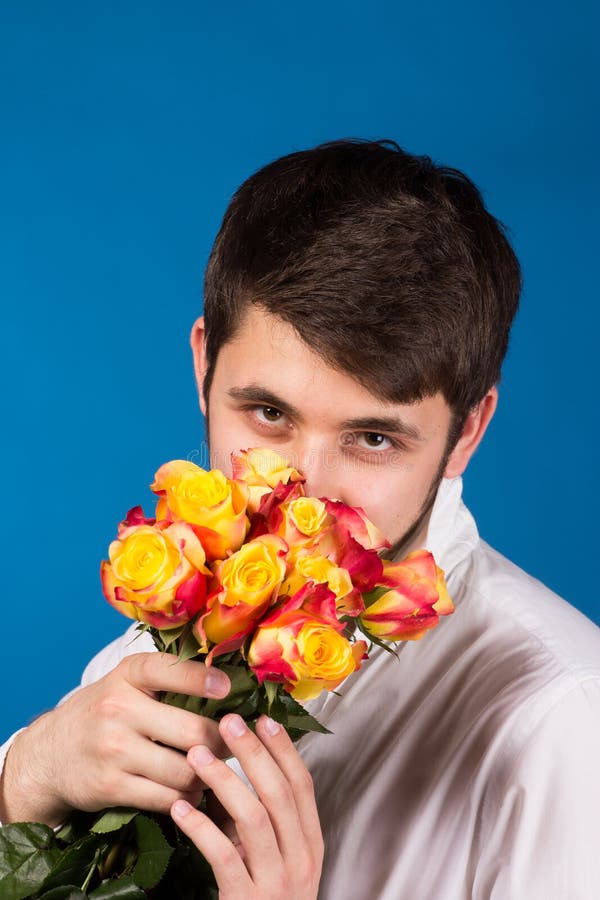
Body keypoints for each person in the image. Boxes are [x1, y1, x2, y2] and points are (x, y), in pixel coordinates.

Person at [2, 139, 599, 899]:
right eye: (268, 413)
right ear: (202, 368)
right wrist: (22, 781)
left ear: (468, 433)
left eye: (373, 439)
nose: (302, 497)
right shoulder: (165, 639)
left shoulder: (569, 729)